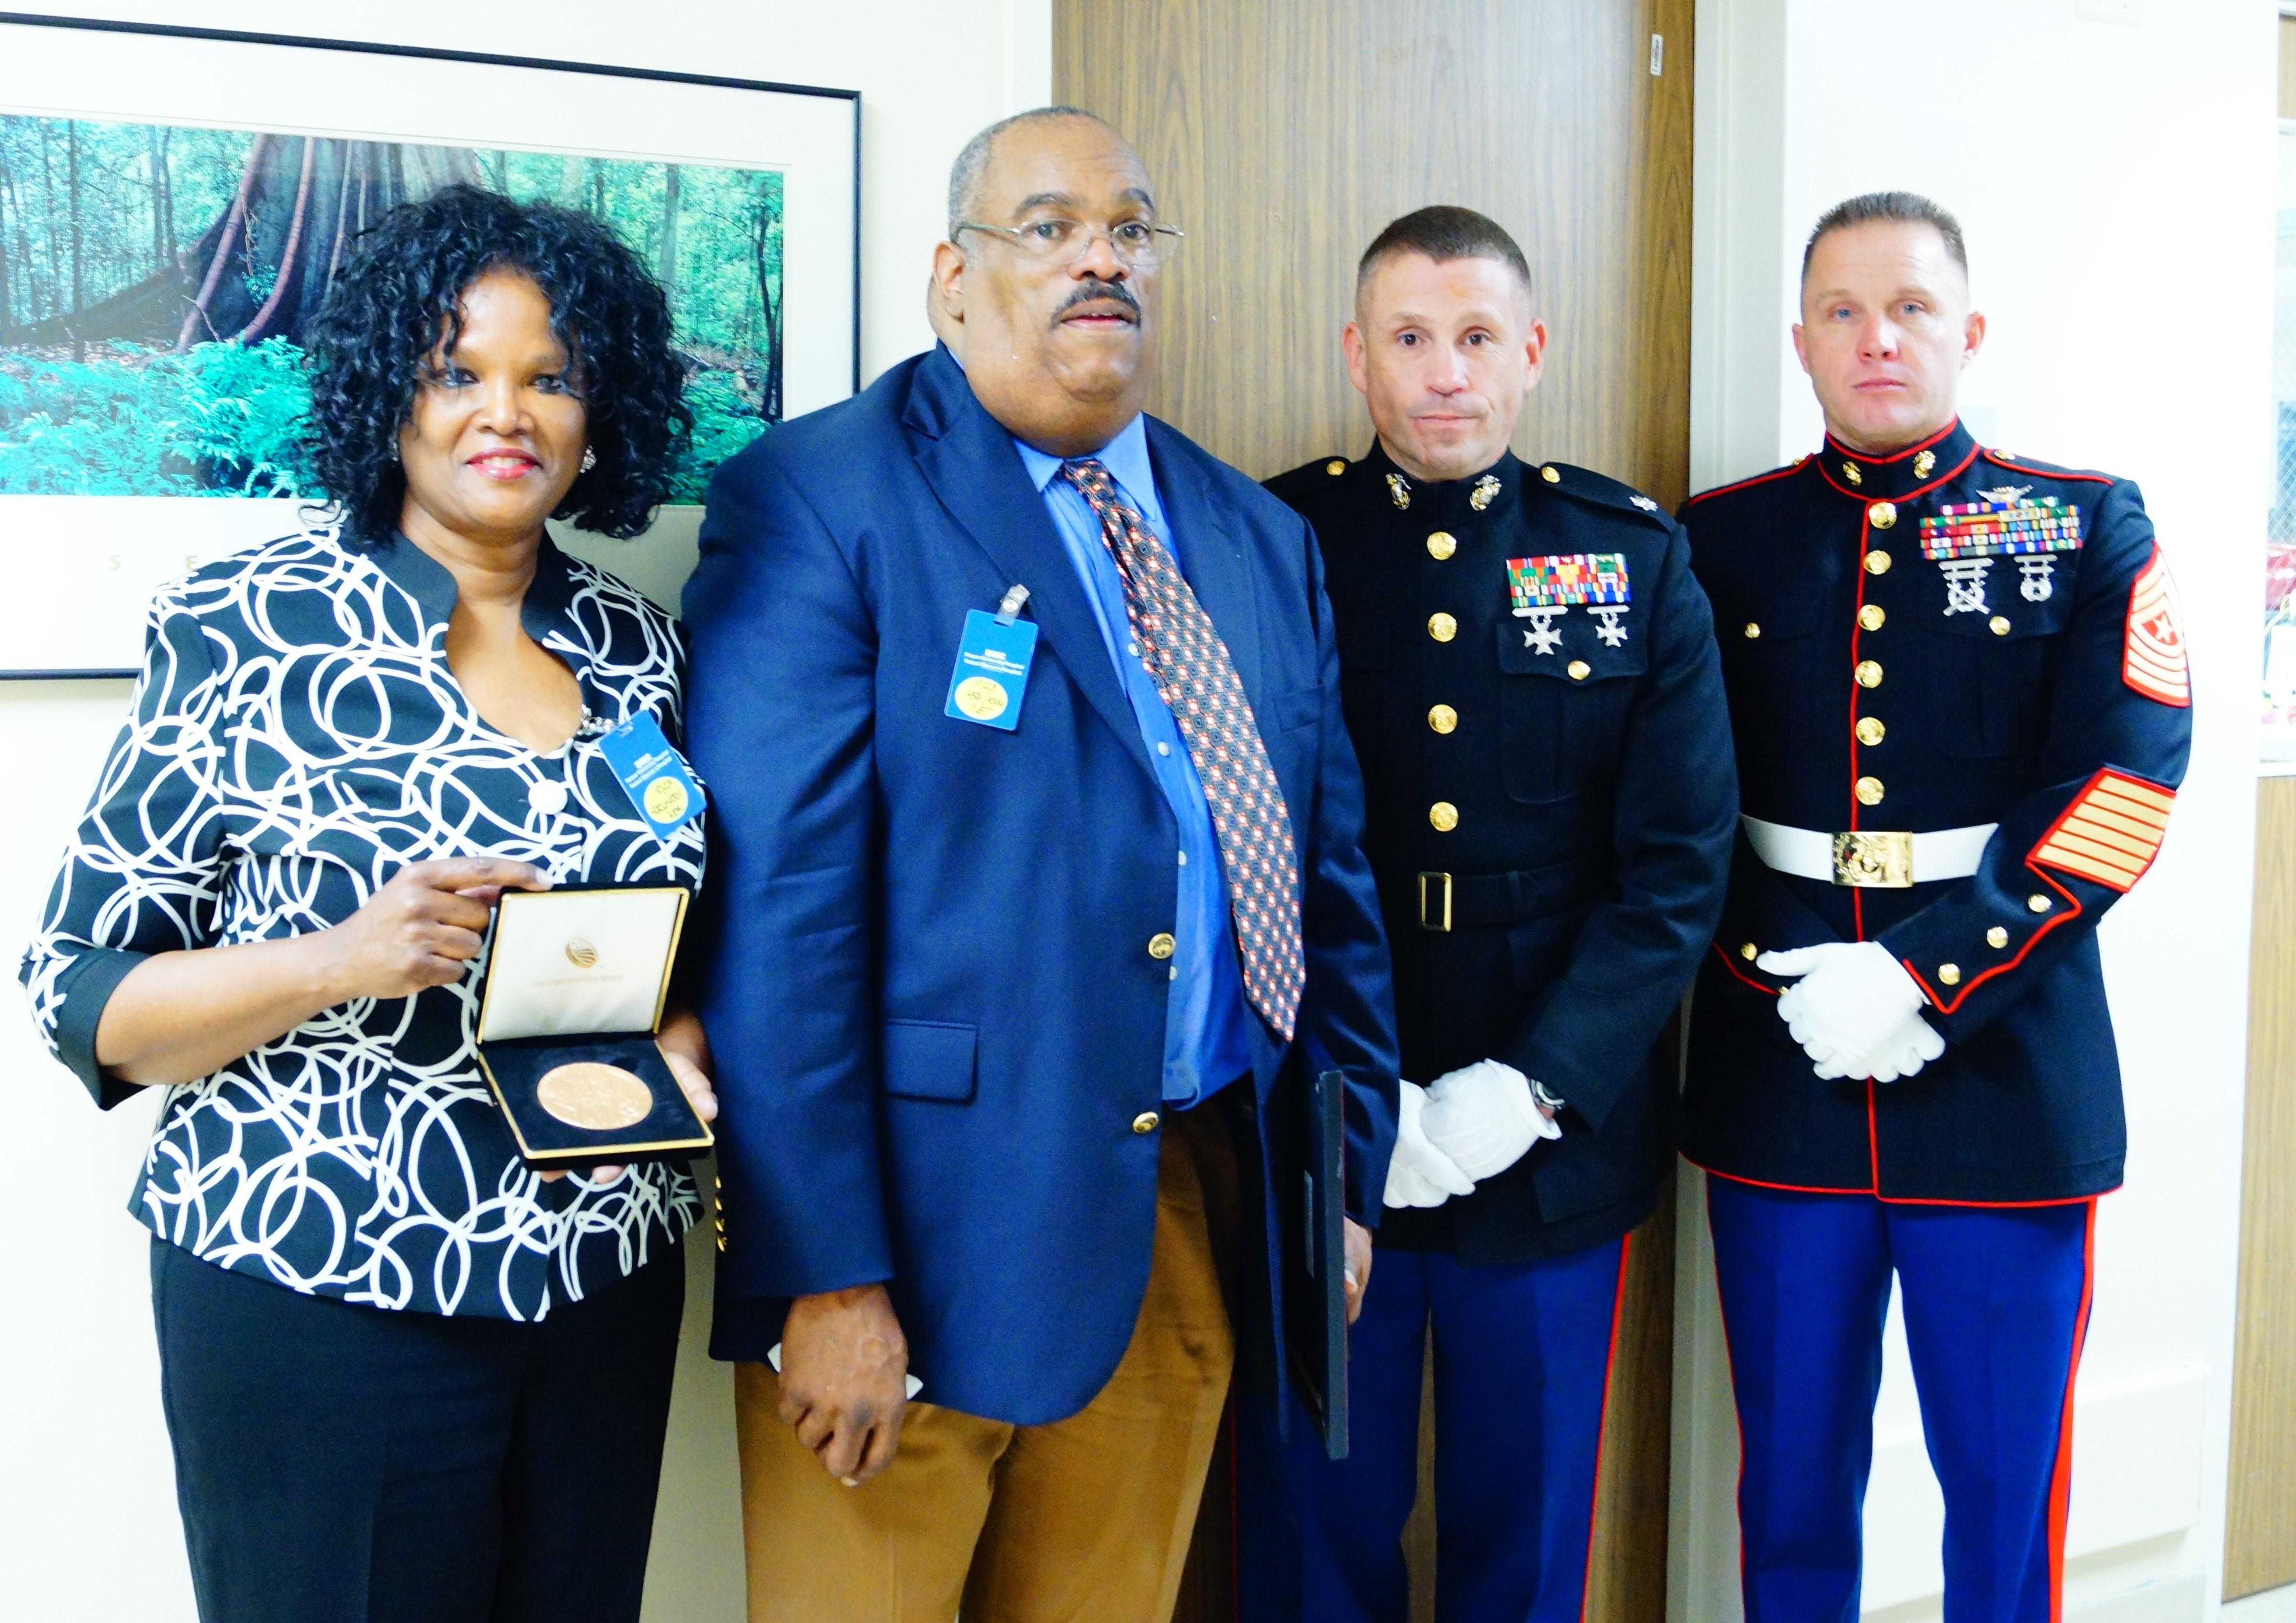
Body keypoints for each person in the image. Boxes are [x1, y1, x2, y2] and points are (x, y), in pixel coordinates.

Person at [683, 107, 1400, 1623]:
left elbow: (1323, 879)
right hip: (912, 1249)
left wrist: (1342, 1174)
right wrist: (826, 1278)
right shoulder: (823, 499)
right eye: (1052, 227)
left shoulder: (1255, 534)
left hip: (1186, 1217)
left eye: (1131, 231)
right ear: (955, 277)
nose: (1101, 262)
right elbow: (780, 920)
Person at [19, 183, 717, 1623]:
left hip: (596, 1282)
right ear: (389, 389)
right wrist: (344, 955)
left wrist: (684, 1041)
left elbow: (667, 946)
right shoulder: (250, 622)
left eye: (553, 378)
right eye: (457, 371)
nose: (504, 412)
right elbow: (82, 994)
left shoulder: (641, 647)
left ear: (605, 413)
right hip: (324, 1279)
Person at [1677, 191, 2192, 1622]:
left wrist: (1926, 977)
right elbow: (1671, 800)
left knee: (2002, 1498)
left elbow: (2125, 788)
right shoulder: (1720, 540)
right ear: (1802, 342)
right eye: (1841, 311)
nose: (1876, 338)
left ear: (1967, 329)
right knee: (1786, 1486)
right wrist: (1778, 969)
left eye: (1908, 307)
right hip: (1778, 1061)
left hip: (2007, 1075)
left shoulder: (2084, 523)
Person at [1239, 206, 1737, 1622]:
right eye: (1409, 338)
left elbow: (1676, 871)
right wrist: (1344, 1091)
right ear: (1356, 354)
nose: (1443, 372)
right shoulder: (1278, 543)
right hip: (1331, 1117)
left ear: (1529, 354)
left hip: (1550, 1131)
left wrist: (1536, 1087)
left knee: (1525, 1536)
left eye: (1474, 339)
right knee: (1313, 1521)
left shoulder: (1629, 555)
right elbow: (1232, 846)